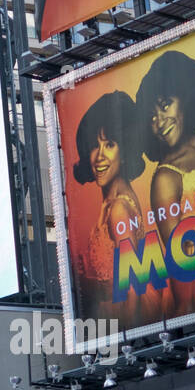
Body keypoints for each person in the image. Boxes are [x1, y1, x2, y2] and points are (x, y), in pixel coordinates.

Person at [71, 92, 147, 323]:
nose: (99, 157)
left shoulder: (119, 209)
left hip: (122, 322)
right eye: (94, 146)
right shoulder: (111, 203)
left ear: (125, 150)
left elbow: (134, 284)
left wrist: (129, 335)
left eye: (110, 145)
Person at [137, 51, 195, 317]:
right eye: (151, 116)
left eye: (165, 105)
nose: (160, 122)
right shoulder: (166, 178)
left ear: (186, 95)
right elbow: (181, 265)